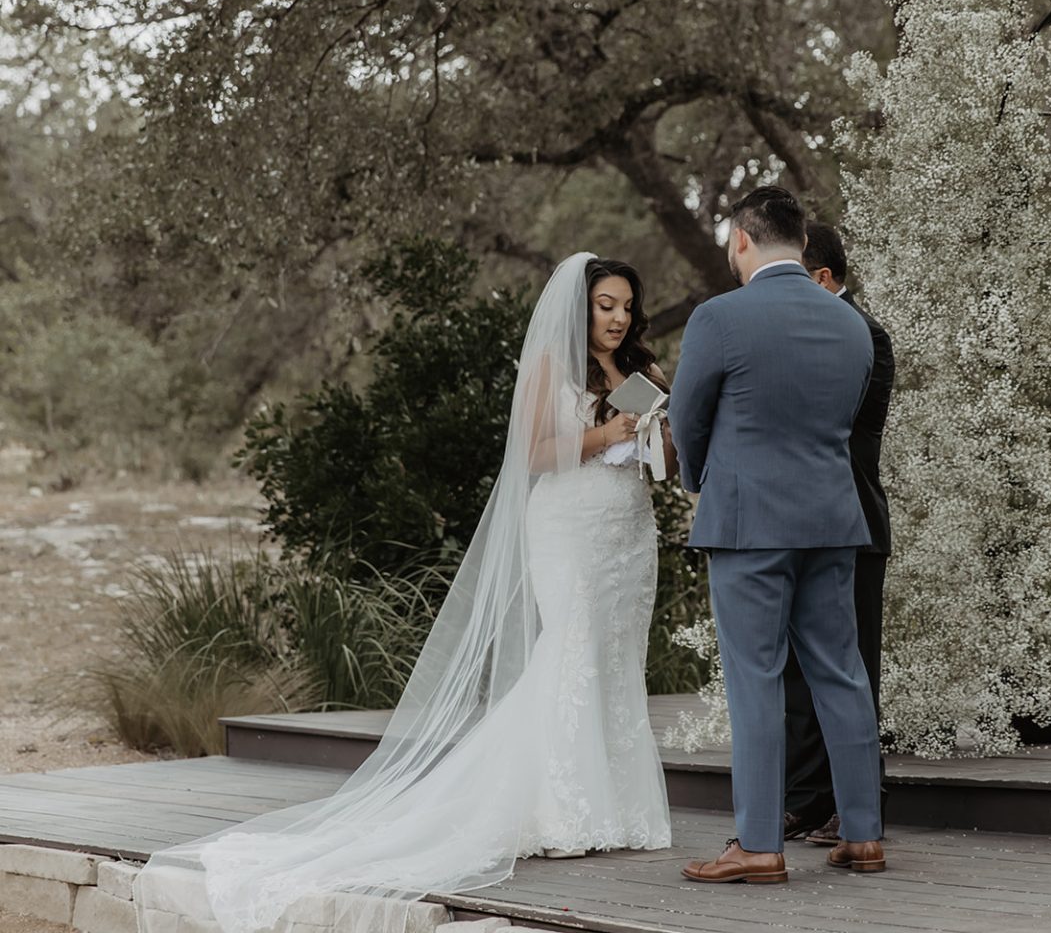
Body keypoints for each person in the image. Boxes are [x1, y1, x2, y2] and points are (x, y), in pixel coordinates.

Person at [134, 255, 675, 933]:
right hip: (569, 525)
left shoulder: (645, 373)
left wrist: (657, 432)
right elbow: (532, 453)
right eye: (605, 305)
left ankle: (619, 807)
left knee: (618, 658)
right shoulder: (550, 368)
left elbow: (666, 462)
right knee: (569, 654)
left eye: (626, 305)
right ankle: (555, 807)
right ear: (580, 309)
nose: (618, 317)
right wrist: (606, 434)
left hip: (629, 530)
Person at [671, 186, 886, 884]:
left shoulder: (718, 318)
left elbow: (687, 420)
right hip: (832, 518)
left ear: (741, 239)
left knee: (755, 680)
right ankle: (864, 835)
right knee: (842, 674)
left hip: (748, 524)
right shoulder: (851, 325)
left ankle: (759, 845)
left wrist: (702, 480)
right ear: (800, 240)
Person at [783, 221, 894, 847]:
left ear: (822, 278)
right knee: (798, 673)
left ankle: (857, 805)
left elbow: (842, 435)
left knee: (851, 671)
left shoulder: (866, 337)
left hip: (851, 522)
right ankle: (804, 798)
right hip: (797, 523)